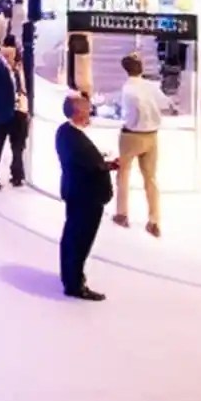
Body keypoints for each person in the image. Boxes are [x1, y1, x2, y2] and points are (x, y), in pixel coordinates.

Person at [55, 95, 116, 301]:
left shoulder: (65, 132)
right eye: (86, 109)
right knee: (80, 240)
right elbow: (90, 166)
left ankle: (70, 277)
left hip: (76, 193)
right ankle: (74, 283)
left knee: (72, 236)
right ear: (78, 112)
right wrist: (108, 165)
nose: (89, 111)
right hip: (86, 197)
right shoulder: (75, 139)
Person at [114, 54, 170, 237]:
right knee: (151, 179)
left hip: (132, 135)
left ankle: (122, 214)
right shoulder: (151, 87)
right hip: (152, 136)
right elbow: (165, 103)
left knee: (123, 174)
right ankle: (154, 221)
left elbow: (129, 115)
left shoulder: (128, 89)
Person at [0, 43, 28, 190]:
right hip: (0, 113)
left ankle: (17, 175)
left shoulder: (17, 68)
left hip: (18, 111)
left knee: (18, 146)